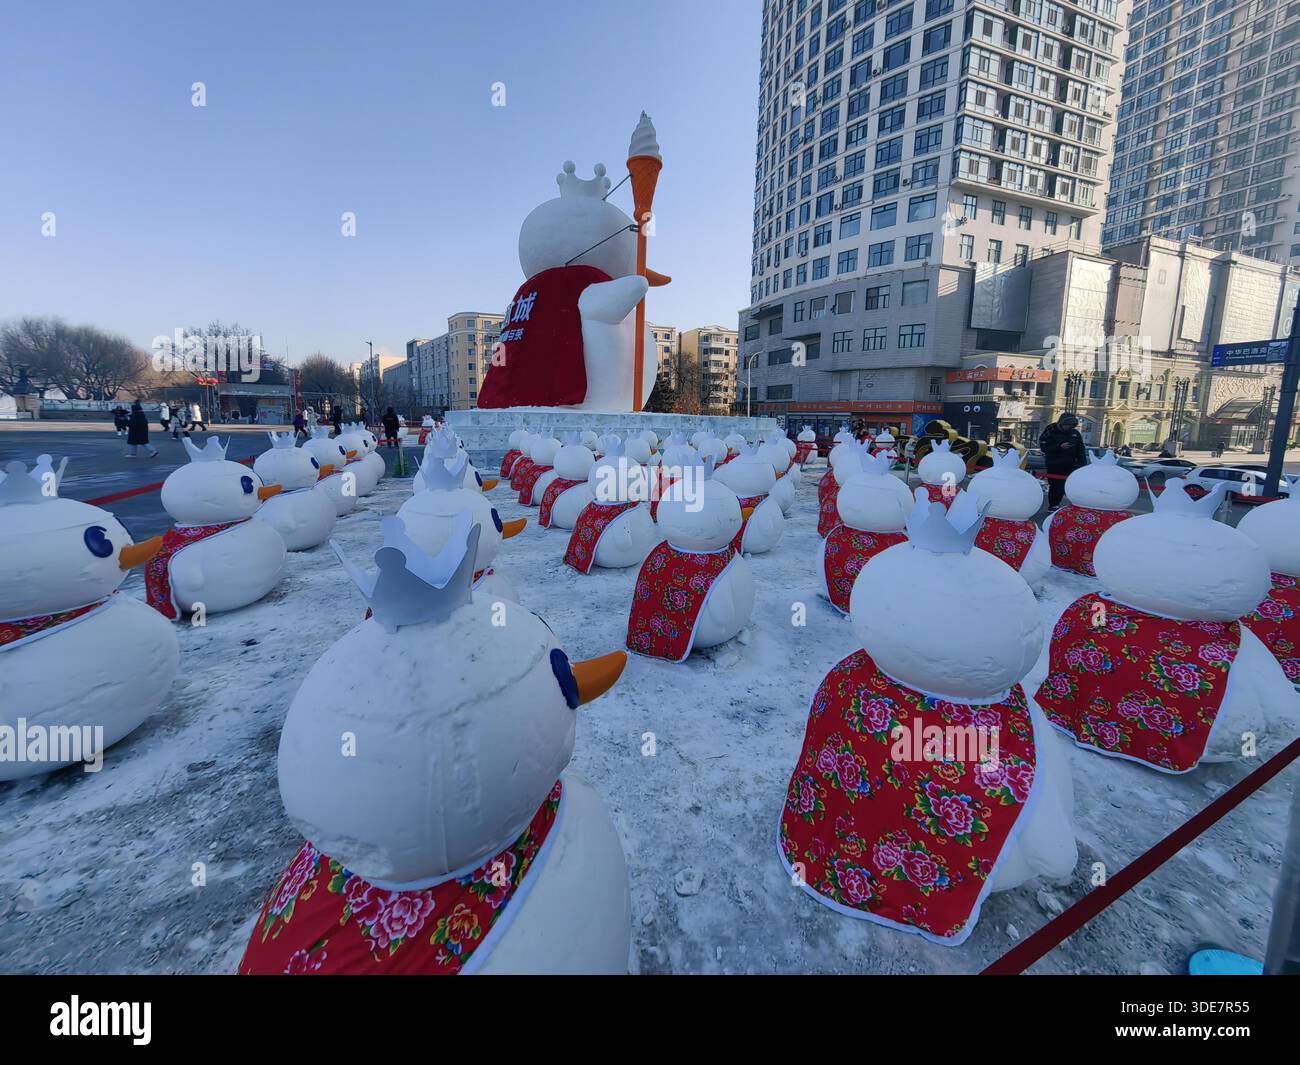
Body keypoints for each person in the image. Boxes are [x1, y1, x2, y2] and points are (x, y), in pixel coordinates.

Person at [1038, 413, 1087, 511]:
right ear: (1061, 423)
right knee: (1055, 485)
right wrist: (1059, 447)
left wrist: (1083, 464)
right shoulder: (1051, 430)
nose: (1068, 427)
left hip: (1070, 463)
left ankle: (1060, 502)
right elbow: (1044, 446)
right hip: (1054, 463)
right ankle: (1053, 504)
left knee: (1065, 484)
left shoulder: (1074, 433)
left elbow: (1080, 449)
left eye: (1071, 425)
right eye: (1067, 425)